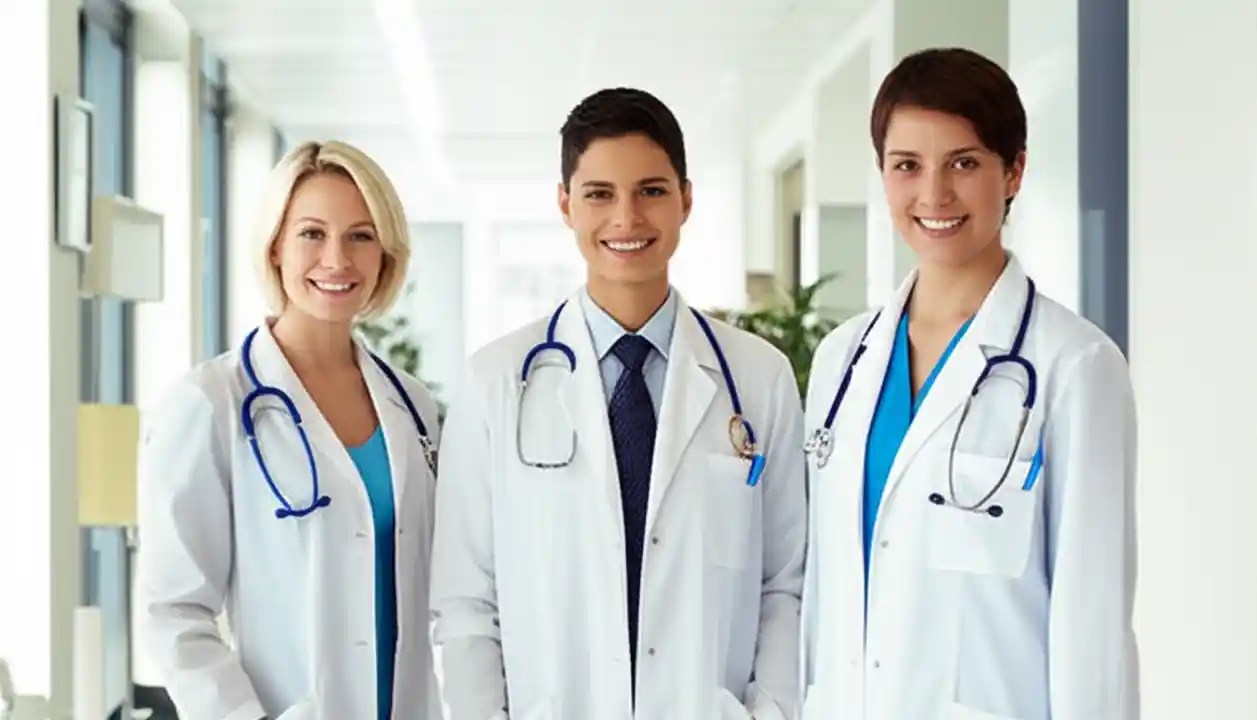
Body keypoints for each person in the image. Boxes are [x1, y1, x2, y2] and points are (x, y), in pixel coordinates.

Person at [430, 88, 806, 719]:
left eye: (651, 191)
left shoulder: (758, 377)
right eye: (600, 194)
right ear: (565, 204)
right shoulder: (495, 381)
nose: (626, 218)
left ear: (686, 199)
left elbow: (787, 584)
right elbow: (468, 600)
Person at [797, 47, 1139, 719]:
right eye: (907, 167)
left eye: (964, 163)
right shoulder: (843, 360)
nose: (934, 195)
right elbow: (821, 596)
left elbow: (1090, 622)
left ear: (1013, 171)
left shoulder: (1074, 366)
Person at [136, 140, 443, 720]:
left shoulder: (413, 406)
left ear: (385, 253)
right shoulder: (210, 403)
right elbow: (174, 611)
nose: (337, 260)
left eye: (361, 234)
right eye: (312, 233)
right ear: (275, 246)